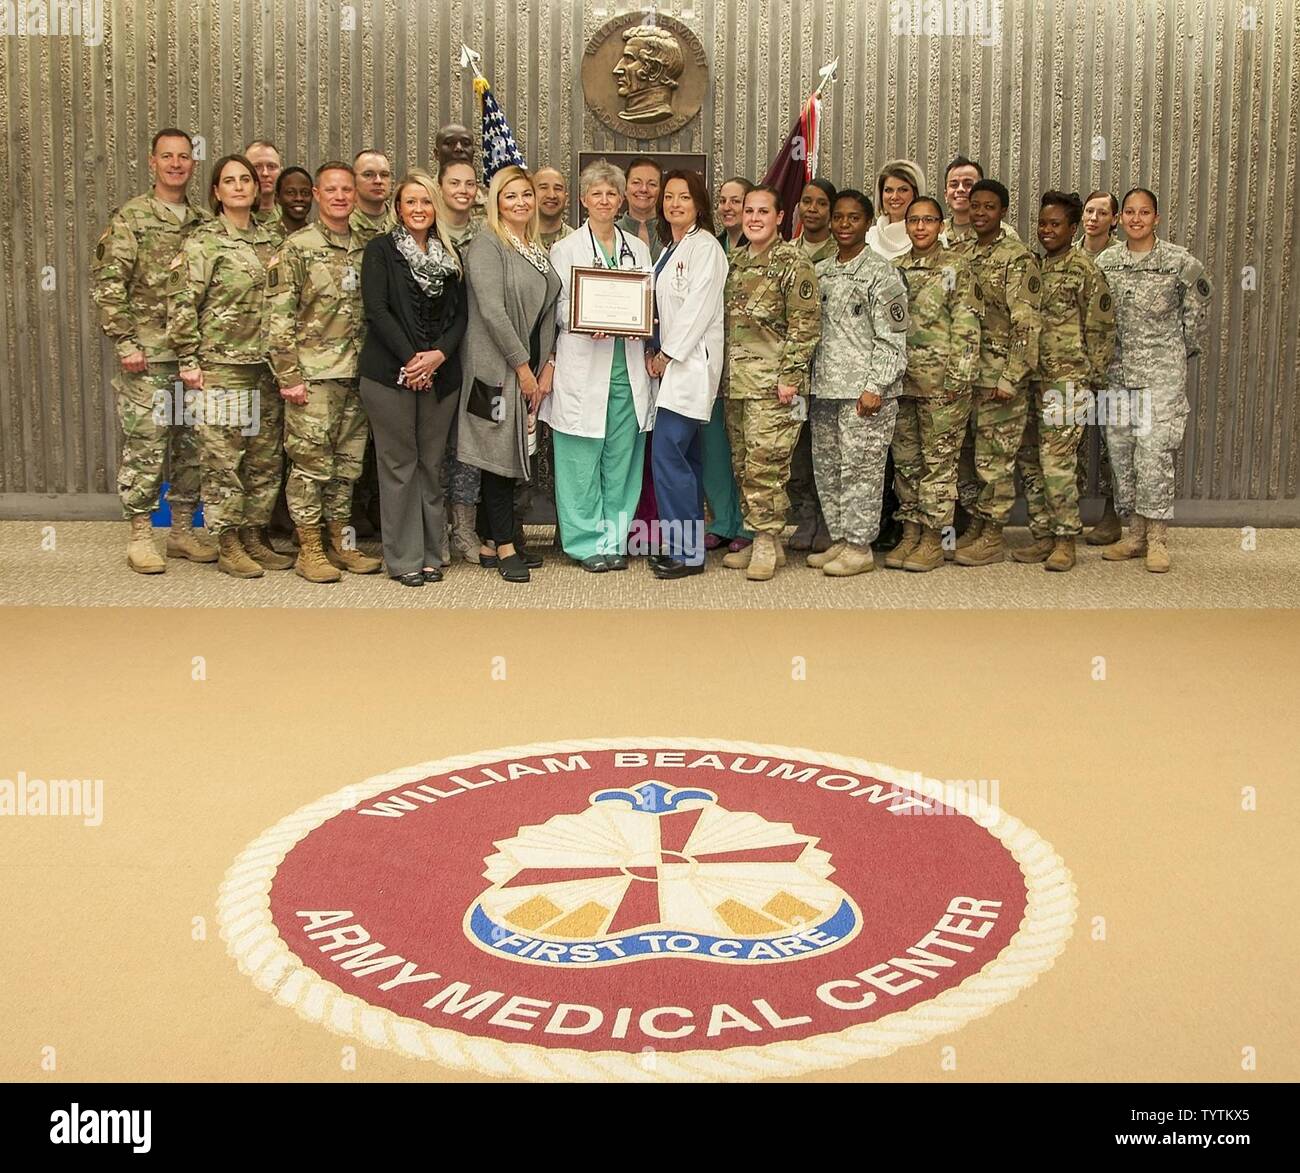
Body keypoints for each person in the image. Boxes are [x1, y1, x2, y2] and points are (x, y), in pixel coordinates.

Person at [90, 127, 215, 574]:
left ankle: (181, 530)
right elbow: (108, 285)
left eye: (184, 157)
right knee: (146, 445)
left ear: (193, 163)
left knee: (191, 447)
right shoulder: (132, 218)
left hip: (193, 358)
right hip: (147, 356)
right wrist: (125, 342)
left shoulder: (203, 221)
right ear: (152, 162)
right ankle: (141, 533)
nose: (176, 164)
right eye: (168, 156)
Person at [167, 153, 291, 579]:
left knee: (263, 459)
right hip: (221, 368)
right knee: (223, 459)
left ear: (256, 190)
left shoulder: (271, 240)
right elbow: (182, 302)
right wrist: (188, 359)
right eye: (229, 181)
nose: (239, 186)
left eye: (246, 180)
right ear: (216, 192)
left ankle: (255, 535)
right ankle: (227, 541)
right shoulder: (203, 242)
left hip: (267, 369)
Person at [266, 161, 381, 582]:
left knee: (347, 467)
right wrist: (288, 376)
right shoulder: (298, 247)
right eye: (330, 189)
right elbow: (278, 317)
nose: (339, 196)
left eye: (346, 189)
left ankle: (341, 542)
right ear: (317, 195)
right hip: (313, 376)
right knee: (310, 465)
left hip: (358, 373)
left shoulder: (368, 244)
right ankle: (310, 549)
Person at [359, 169, 467, 587]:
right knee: (399, 465)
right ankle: (403, 557)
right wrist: (412, 361)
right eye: (411, 202)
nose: (419, 209)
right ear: (398, 208)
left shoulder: (450, 255)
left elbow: (462, 316)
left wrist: (436, 357)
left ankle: (430, 553)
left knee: (430, 465)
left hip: (441, 377)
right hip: (390, 376)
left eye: (426, 202)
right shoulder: (381, 251)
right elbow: (378, 311)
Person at [545, 161, 654, 572]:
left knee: (622, 461)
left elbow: (646, 300)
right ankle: (584, 543)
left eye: (612, 193)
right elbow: (555, 307)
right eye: (596, 194)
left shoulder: (638, 249)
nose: (604, 200)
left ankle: (614, 540)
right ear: (583, 200)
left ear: (621, 200)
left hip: (627, 371)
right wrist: (583, 318)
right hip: (584, 365)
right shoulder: (566, 248)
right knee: (579, 459)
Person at [1096, 187, 1212, 572]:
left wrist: (1178, 354)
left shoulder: (1179, 262)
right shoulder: (1106, 261)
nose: (1136, 219)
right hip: (1116, 373)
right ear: (1120, 218)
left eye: (1144, 212)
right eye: (1129, 212)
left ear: (1156, 218)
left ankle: (1158, 537)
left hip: (1160, 375)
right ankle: (1133, 534)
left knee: (1154, 453)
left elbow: (1195, 315)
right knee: (1121, 453)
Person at [457, 165, 561, 583]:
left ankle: (488, 539)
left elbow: (548, 309)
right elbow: (493, 312)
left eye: (526, 195)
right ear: (496, 202)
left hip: (528, 369)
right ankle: (505, 547)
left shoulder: (533, 245)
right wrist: (522, 368)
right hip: (495, 372)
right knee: (497, 457)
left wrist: (544, 362)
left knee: (513, 450)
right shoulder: (487, 244)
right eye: (510, 196)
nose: (520, 202)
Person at [807, 190, 910, 576]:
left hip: (865, 394)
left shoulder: (883, 274)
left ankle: (859, 545)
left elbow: (893, 337)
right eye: (839, 217)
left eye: (854, 218)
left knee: (862, 470)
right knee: (830, 468)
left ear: (868, 223)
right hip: (826, 389)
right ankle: (840, 538)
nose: (844, 225)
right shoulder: (821, 272)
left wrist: (876, 386)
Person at [720, 185, 821, 581]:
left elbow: (806, 325)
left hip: (777, 387)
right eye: (749, 211)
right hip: (738, 384)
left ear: (780, 218)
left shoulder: (793, 263)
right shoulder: (735, 262)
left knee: (768, 466)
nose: (755, 218)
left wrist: (791, 377)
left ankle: (763, 539)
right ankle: (769, 539)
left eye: (764, 211)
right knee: (744, 464)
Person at [1011, 191, 1115, 572]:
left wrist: (1090, 377)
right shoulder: (1033, 267)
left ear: (1073, 229)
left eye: (1055, 224)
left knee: (1057, 463)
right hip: (1030, 380)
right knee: (1029, 460)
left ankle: (1065, 538)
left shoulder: (1084, 269)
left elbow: (1101, 328)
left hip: (1066, 383)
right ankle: (1042, 535)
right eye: (1042, 223)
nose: (1046, 230)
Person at [888, 196, 982, 573]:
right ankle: (910, 531)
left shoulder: (958, 268)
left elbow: (968, 327)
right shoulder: (894, 269)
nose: (921, 227)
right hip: (903, 383)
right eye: (914, 220)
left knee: (939, 466)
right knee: (907, 464)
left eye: (929, 220)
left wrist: (958, 380)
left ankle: (933, 537)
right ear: (906, 226)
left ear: (941, 225)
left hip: (944, 387)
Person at [952, 178, 1042, 566]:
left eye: (989, 207)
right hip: (966, 376)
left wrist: (1011, 376)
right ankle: (976, 522)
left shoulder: (1017, 258)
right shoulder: (963, 254)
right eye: (975, 206)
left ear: (1003, 212)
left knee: (996, 461)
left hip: (999, 380)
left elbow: (1027, 325)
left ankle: (993, 534)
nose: (981, 213)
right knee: (970, 459)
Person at [645, 169, 729, 579]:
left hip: (690, 366)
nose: (674, 204)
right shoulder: (669, 249)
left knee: (668, 454)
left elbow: (697, 309)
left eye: (684, 197)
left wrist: (665, 355)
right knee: (689, 459)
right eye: (669, 197)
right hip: (673, 368)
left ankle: (683, 552)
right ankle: (690, 549)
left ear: (698, 204)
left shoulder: (706, 248)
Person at [786, 178, 837, 554]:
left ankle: (830, 521)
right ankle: (805, 517)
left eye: (821, 203)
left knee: (829, 448)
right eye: (807, 201)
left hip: (833, 371)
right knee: (798, 450)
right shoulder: (786, 253)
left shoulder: (845, 252)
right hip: (794, 373)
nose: (813, 208)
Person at [1076, 189, 1122, 545]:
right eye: (1089, 211)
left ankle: (1112, 515)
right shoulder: (1069, 255)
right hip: (1073, 364)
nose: (1093, 218)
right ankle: (1067, 515)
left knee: (1113, 444)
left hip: (1115, 366)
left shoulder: (1123, 259)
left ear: (1114, 219)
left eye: (1101, 213)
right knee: (1069, 441)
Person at [940, 155, 1019, 252]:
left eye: (968, 184)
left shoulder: (1004, 233)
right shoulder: (934, 230)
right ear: (945, 194)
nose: (960, 189)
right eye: (954, 184)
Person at [867, 159, 925, 260]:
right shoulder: (869, 238)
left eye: (903, 190)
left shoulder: (931, 237)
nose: (894, 197)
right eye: (888, 190)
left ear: (916, 194)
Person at [617, 157, 664, 262]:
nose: (644, 189)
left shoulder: (672, 233)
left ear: (661, 191)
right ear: (624, 189)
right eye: (636, 182)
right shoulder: (612, 232)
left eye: (652, 184)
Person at [351, 149, 397, 242]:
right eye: (368, 175)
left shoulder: (402, 222)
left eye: (384, 175)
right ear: (353, 179)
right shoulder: (342, 225)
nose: (378, 181)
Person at [245, 139, 283, 231]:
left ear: (281, 172)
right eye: (257, 167)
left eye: (271, 167)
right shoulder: (233, 220)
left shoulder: (292, 219)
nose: (265, 173)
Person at [270, 166, 314, 246]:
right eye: (290, 192)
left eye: (305, 193)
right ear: (277, 197)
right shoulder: (265, 238)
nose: (299, 198)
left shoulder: (318, 239)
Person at [533, 166, 575, 248]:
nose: (551, 195)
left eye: (557, 188)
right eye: (543, 188)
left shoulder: (578, 242)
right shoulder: (515, 240)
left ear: (566, 199)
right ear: (530, 195)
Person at [715, 176, 751, 255]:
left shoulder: (758, 246)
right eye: (722, 201)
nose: (726, 208)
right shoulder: (712, 245)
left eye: (735, 201)